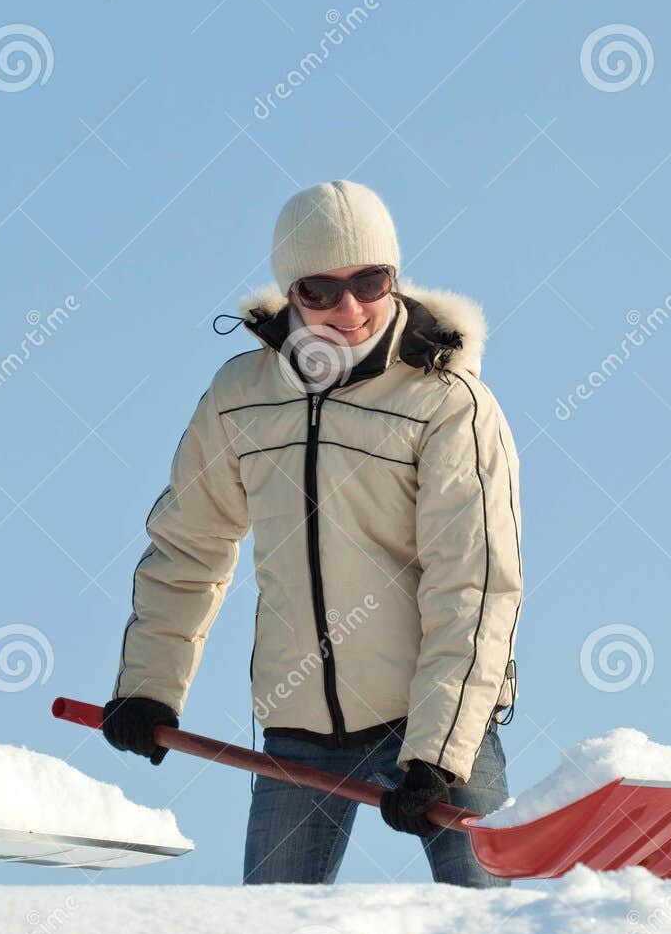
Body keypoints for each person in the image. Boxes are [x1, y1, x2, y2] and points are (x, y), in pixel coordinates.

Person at [103, 180, 521, 886]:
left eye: (369, 281)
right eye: (320, 289)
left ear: (394, 276)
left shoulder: (447, 404)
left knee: (495, 930)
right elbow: (189, 546)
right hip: (302, 734)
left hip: (437, 722)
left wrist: (439, 750)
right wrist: (149, 687)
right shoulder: (242, 397)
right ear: (290, 289)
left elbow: (474, 585)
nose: (349, 308)